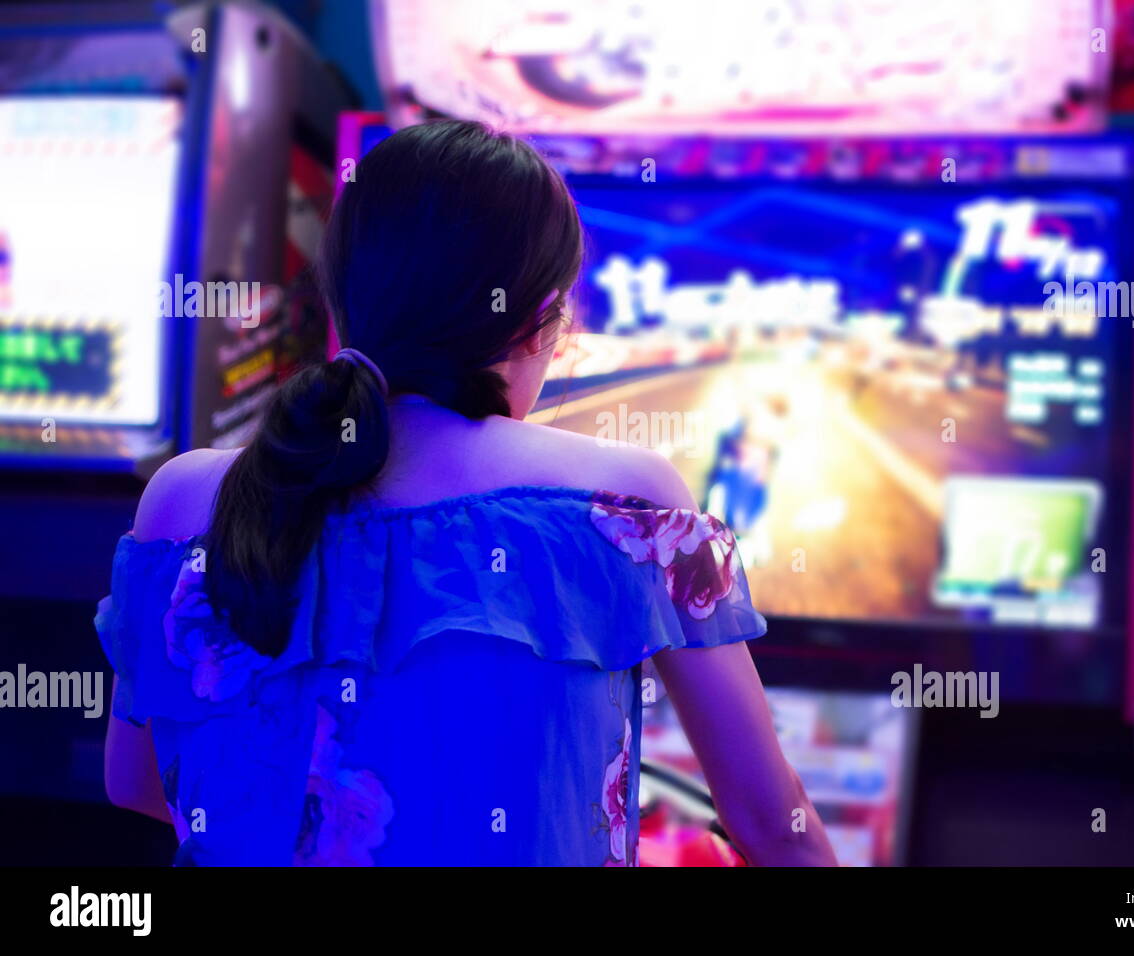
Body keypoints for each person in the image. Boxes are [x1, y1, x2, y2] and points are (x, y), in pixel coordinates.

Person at [97, 119, 837, 866]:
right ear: (540, 321)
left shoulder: (180, 503)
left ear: (345, 292)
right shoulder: (629, 503)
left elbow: (135, 783)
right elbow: (777, 828)